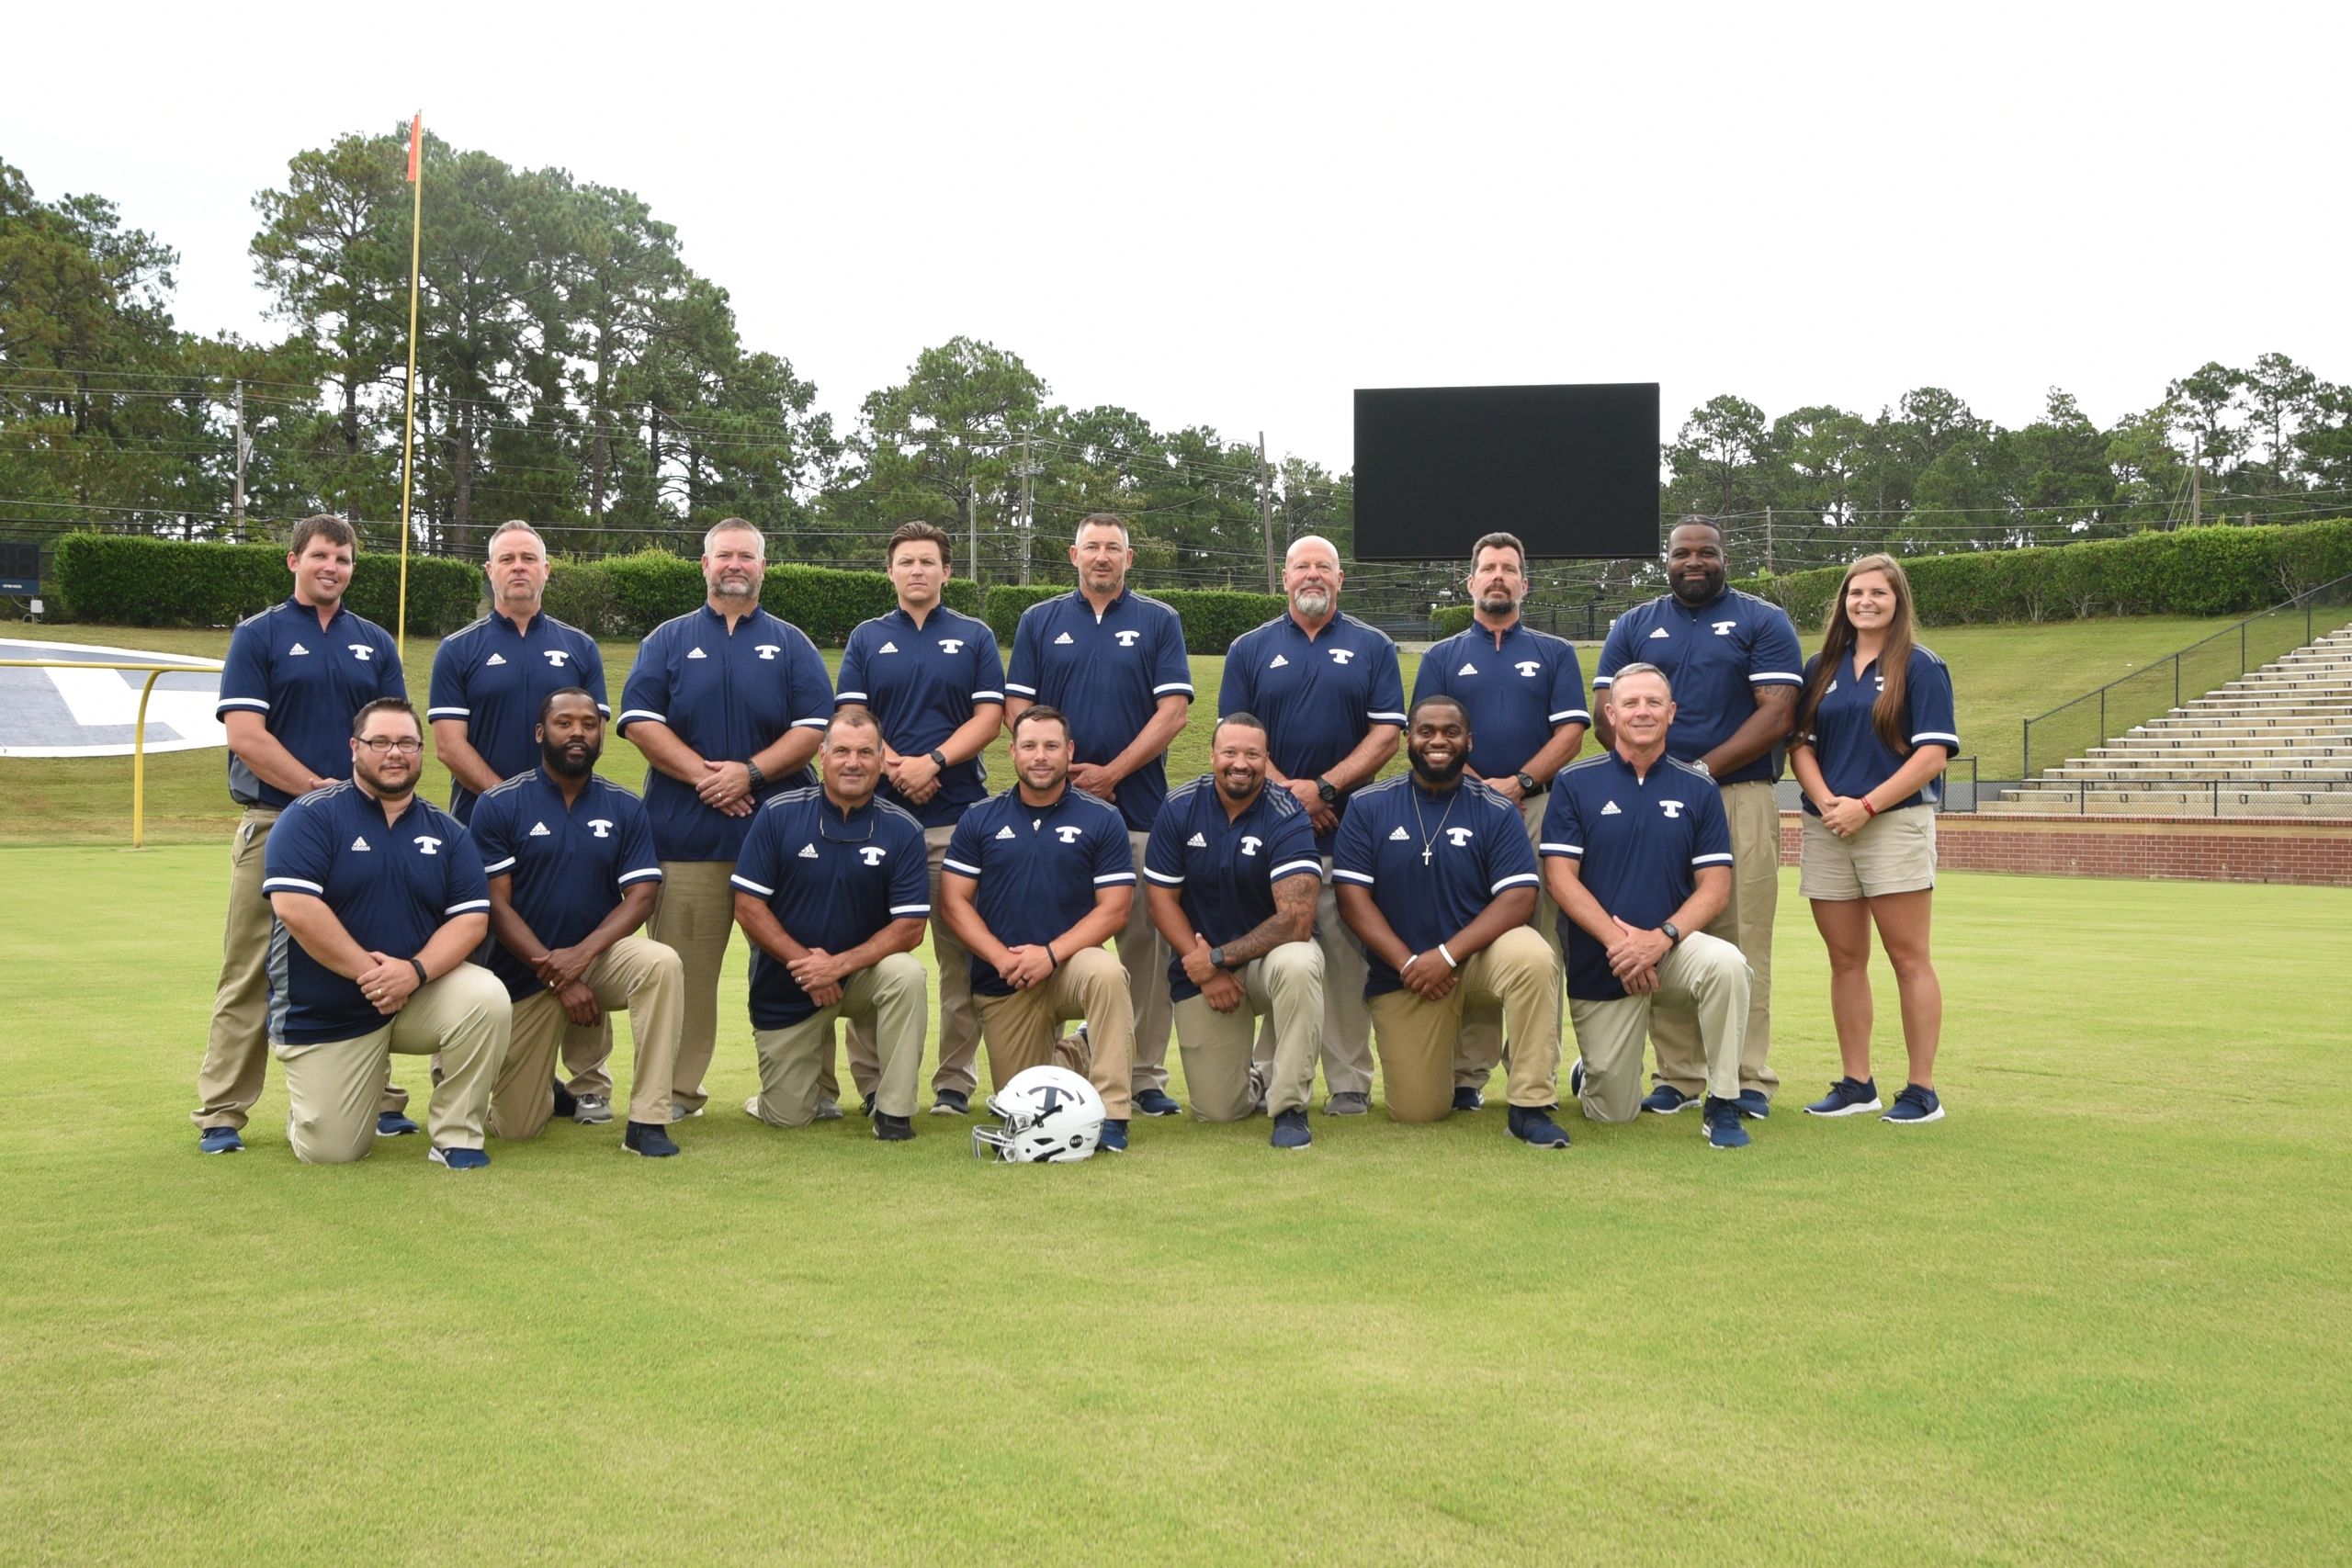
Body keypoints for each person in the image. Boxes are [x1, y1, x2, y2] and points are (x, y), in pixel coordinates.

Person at [193, 513, 413, 1155]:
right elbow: (246, 736)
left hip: (360, 827)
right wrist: (319, 791)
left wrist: (355, 799)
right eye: (320, 556)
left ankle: (380, 1100)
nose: (331, 568)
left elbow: (393, 733)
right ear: (294, 561)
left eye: (342, 559)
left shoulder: (374, 642)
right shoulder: (258, 634)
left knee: (366, 957)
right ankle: (222, 1111)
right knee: (249, 969)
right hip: (276, 821)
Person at [616, 519, 833, 1120]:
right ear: (705, 564)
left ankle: (812, 1089)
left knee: (801, 962)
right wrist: (707, 778)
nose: (734, 564)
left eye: (746, 556)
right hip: (688, 840)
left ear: (763, 567)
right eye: (724, 555)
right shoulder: (667, 639)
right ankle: (674, 1093)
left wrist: (750, 774)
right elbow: (640, 721)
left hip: (784, 845)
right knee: (683, 976)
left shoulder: (791, 642)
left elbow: (815, 727)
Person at [1593, 518, 1803, 1119]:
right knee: (1660, 929)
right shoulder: (1635, 624)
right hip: (1650, 795)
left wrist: (1699, 772)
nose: (1694, 561)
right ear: (1666, 559)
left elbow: (1778, 713)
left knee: (1743, 936)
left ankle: (1746, 1077)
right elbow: (1606, 712)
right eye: (1682, 552)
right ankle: (1679, 1075)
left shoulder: (1762, 620)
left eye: (1706, 552)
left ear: (1723, 557)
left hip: (1737, 793)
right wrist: (1660, 773)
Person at [258, 698, 511, 1168]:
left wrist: (413, 973)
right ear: (354, 748)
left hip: (416, 995)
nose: (395, 753)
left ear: (420, 751)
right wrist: (374, 976)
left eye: (407, 743)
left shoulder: (449, 832)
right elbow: (295, 907)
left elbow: (471, 920)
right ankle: (312, 1116)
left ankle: (456, 1135)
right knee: (332, 1152)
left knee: (486, 997)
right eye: (380, 742)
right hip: (329, 1008)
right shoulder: (310, 816)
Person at [426, 520, 617, 1123]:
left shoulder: (578, 647)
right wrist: (510, 802)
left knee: (579, 938)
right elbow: (449, 745)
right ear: (489, 570)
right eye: (506, 558)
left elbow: (593, 734)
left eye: (528, 558)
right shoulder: (460, 649)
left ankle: (588, 1083)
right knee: (473, 945)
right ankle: (456, 1075)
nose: (517, 567)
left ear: (546, 570)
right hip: (479, 828)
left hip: (572, 825)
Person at [1002, 514, 1190, 1117]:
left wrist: (1110, 775)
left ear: (1129, 558)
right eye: (1092, 547)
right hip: (1051, 814)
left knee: (1144, 949)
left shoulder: (1160, 620)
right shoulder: (1039, 620)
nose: (1102, 556)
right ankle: (1051, 1064)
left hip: (1138, 813)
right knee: (1051, 938)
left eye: (1113, 548)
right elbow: (1017, 706)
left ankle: (1142, 1075)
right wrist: (1056, 768)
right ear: (1073, 554)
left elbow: (1174, 712)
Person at [1218, 534, 1406, 1115]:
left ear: (1340, 579)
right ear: (1285, 578)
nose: (1313, 575)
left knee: (1345, 960)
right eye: (1302, 566)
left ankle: (1349, 1081)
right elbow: (1235, 739)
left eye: (1324, 566)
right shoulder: (1250, 648)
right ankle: (1269, 1076)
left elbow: (1387, 733)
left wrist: (1324, 788)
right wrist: (1290, 796)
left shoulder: (1373, 645)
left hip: (1350, 832)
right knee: (1281, 956)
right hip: (1269, 836)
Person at [1330, 695, 1568, 1146]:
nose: (1438, 740)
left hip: (1476, 962)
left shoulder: (1496, 809)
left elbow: (1519, 898)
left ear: (1469, 742)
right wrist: (1408, 963)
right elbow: (1352, 899)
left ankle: (1530, 1105)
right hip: (1406, 974)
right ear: (1408, 740)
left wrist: (1446, 955)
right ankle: (1448, 1078)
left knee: (1533, 955)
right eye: (1426, 731)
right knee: (1418, 1112)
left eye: (1451, 732)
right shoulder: (1367, 806)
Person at [1541, 664, 1757, 1153]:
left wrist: (1660, 939)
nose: (1643, 712)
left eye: (1654, 703)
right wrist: (1623, 945)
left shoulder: (1698, 787)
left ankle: (1723, 1100)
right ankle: (1592, 1071)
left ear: (1671, 712)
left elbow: (1715, 888)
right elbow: (1560, 880)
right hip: (1604, 958)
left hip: (1671, 948)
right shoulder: (1575, 782)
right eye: (1631, 703)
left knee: (1727, 964)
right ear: (1611, 714)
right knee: (1612, 1114)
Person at [1410, 529, 1589, 1111]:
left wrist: (1520, 783)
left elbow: (1571, 732)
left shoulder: (1554, 653)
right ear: (1470, 583)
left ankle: (1536, 1071)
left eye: (1508, 569)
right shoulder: (1441, 657)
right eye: (1488, 568)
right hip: (1459, 809)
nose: (1498, 577)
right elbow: (1426, 734)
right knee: (1471, 929)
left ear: (1524, 584)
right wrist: (1477, 787)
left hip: (1537, 810)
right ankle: (1469, 1074)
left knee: (1541, 942)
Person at [832, 521, 1004, 1117]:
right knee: (872, 955)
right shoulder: (867, 637)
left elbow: (990, 719)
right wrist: (895, 766)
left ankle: (954, 1083)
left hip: (955, 823)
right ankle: (875, 1085)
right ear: (890, 571)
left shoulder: (974, 636)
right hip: (876, 823)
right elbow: (851, 723)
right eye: (906, 561)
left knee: (961, 960)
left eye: (928, 561)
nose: (917, 570)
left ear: (946, 572)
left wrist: (933, 761)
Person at [470, 687, 683, 1157]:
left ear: (602, 734)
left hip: (596, 960)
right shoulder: (499, 804)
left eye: (589, 724)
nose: (578, 733)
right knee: (516, 1128)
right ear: (540, 732)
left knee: (661, 962)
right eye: (564, 723)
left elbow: (642, 897)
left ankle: (648, 1121)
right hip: (526, 972)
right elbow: (495, 906)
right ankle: (547, 1086)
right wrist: (558, 976)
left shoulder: (624, 806)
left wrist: (581, 958)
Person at [1788, 554, 1958, 1125]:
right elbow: (1800, 745)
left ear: (1897, 600)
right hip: (1828, 825)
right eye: (1856, 592)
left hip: (1893, 824)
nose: (1865, 602)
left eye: (1878, 593)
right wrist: (1829, 804)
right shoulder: (1822, 666)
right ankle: (1857, 1084)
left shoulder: (1921, 666)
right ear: (1843, 601)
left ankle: (1922, 1091)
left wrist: (1866, 806)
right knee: (1844, 960)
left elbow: (1932, 755)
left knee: (1908, 959)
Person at [938, 705, 1139, 1154]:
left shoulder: (1102, 818)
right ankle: (1081, 1048)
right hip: (1006, 977)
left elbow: (1115, 910)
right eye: (1029, 746)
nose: (1040, 756)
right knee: (1021, 1104)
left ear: (1069, 751)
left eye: (1051, 746)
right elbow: (953, 903)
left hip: (1070, 967)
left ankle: (1113, 1113)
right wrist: (1001, 958)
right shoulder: (980, 817)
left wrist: (1049, 955)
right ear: (1012, 752)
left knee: (1107, 972)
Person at [730, 708, 933, 1141]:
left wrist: (836, 966)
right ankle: (778, 1096)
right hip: (790, 981)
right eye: (841, 751)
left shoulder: (904, 830)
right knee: (789, 1116)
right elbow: (747, 907)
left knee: (907, 974)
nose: (852, 762)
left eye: (865, 752)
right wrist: (809, 966)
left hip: (861, 976)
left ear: (882, 760)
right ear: (821, 756)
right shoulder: (778, 814)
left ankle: (893, 1113)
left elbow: (910, 928)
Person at [1142, 713, 1325, 1149]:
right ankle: (1257, 1080)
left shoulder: (1287, 812)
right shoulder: (1179, 806)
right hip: (1204, 971)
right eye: (1230, 752)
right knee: (1218, 1111)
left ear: (1266, 759)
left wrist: (1219, 958)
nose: (1240, 763)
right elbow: (1161, 900)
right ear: (1212, 756)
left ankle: (1290, 1107)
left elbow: (1297, 919)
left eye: (1252, 754)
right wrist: (1206, 970)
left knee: (1299, 963)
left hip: (1265, 963)